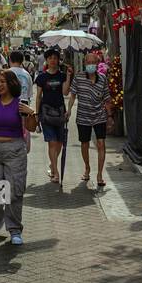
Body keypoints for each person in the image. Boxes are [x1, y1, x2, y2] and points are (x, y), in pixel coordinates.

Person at [0, 69, 36, 245]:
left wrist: (31, 113)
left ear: (12, 83)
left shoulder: (21, 104)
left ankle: (14, 229)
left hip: (15, 149)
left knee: (14, 191)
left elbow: (32, 128)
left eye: (3, 81)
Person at [72, 51, 112, 186]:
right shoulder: (78, 77)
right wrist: (68, 110)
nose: (91, 65)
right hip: (83, 116)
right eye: (88, 63)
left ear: (97, 63)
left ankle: (100, 174)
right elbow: (72, 95)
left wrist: (110, 116)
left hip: (99, 116)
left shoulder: (103, 78)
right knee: (85, 144)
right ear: (84, 64)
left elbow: (107, 98)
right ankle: (87, 167)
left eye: (93, 63)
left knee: (101, 143)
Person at [33, 48, 71, 185]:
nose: (53, 60)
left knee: (60, 143)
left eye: (55, 58)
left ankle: (52, 164)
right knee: (52, 142)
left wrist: (68, 77)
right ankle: (55, 172)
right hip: (46, 114)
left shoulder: (62, 75)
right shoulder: (42, 77)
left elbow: (66, 93)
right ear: (47, 60)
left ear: (58, 60)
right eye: (50, 58)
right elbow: (38, 97)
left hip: (60, 113)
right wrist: (37, 114)